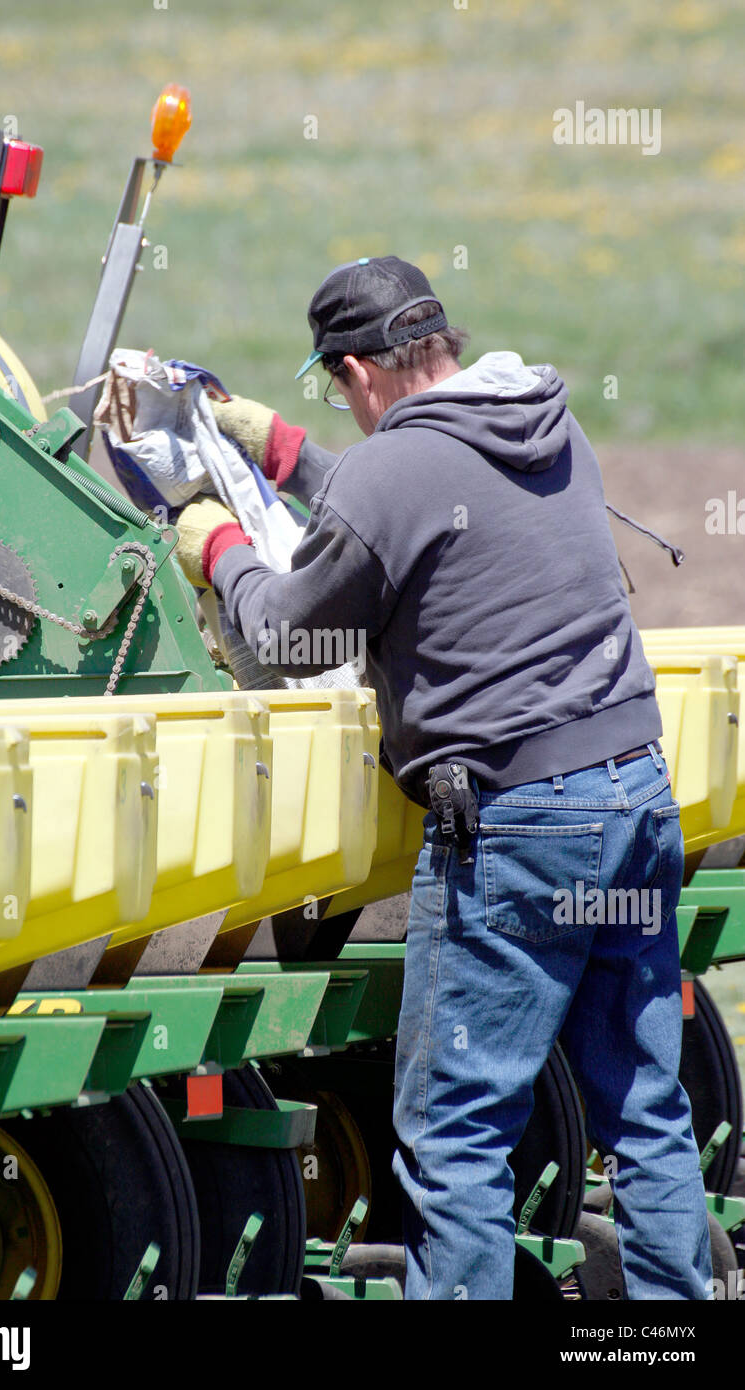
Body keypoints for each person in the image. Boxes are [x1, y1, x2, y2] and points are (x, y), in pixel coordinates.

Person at [175, 254, 712, 1301]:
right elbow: (428, 499)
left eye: (334, 390)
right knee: (644, 1109)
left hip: (520, 825)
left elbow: (290, 633)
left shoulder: (391, 471)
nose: (345, 408)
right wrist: (282, 452)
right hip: (634, 795)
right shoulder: (547, 423)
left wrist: (220, 546)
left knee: (456, 1134)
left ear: (360, 370)